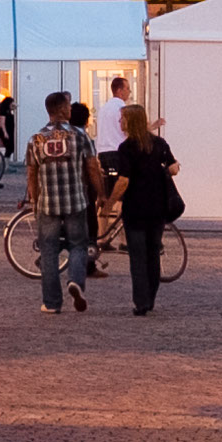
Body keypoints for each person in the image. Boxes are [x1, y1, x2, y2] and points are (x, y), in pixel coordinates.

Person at [25, 91, 108, 313]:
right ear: (62, 109)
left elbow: (31, 173)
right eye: (69, 106)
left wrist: (34, 199)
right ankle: (75, 281)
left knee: (49, 251)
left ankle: (51, 303)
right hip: (75, 201)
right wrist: (101, 193)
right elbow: (92, 167)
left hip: (47, 203)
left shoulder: (36, 139)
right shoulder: (80, 137)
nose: (71, 109)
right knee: (78, 245)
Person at [102, 104, 182, 315]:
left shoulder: (126, 148)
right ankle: (151, 298)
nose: (120, 123)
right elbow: (173, 168)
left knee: (137, 257)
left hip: (135, 208)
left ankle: (141, 302)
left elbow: (123, 181)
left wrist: (109, 204)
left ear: (131, 121)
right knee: (153, 253)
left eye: (122, 119)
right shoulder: (159, 144)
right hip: (157, 207)